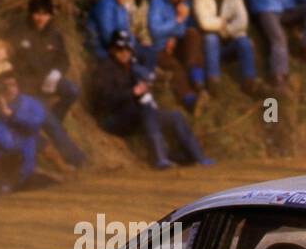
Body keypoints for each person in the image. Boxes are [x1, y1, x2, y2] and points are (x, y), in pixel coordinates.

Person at [89, 29, 213, 170]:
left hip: (135, 115)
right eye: (119, 49)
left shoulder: (130, 68)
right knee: (146, 108)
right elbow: (103, 100)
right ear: (112, 49)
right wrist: (133, 92)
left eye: (127, 49)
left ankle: (198, 157)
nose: (124, 52)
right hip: (113, 119)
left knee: (175, 116)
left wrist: (144, 90)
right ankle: (159, 159)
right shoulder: (104, 69)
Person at [0, 70, 85, 194]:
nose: (10, 89)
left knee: (41, 180)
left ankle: (61, 171)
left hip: (22, 158)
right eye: (6, 85)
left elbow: (36, 122)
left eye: (13, 85)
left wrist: (12, 115)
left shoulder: (29, 103)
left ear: (18, 87)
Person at [194, 0, 259, 93]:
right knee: (211, 38)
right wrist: (225, 23)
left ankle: (250, 80)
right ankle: (213, 80)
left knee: (244, 41)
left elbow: (242, 22)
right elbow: (204, 23)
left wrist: (224, 29)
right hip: (209, 47)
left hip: (229, 44)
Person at [147, 0, 206, 111]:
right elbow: (155, 31)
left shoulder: (185, 4)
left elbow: (185, 29)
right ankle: (190, 100)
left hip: (175, 43)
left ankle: (197, 80)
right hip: (159, 48)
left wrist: (174, 35)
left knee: (193, 36)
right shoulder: (158, 3)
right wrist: (178, 20)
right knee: (175, 68)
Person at [12, 0, 80, 122]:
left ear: (50, 15)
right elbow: (16, 58)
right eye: (37, 13)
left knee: (73, 90)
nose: (40, 18)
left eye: (45, 14)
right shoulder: (20, 29)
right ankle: (48, 122)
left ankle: (56, 118)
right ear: (31, 13)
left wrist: (56, 73)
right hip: (28, 81)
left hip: (49, 80)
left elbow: (64, 59)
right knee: (39, 111)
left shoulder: (55, 35)